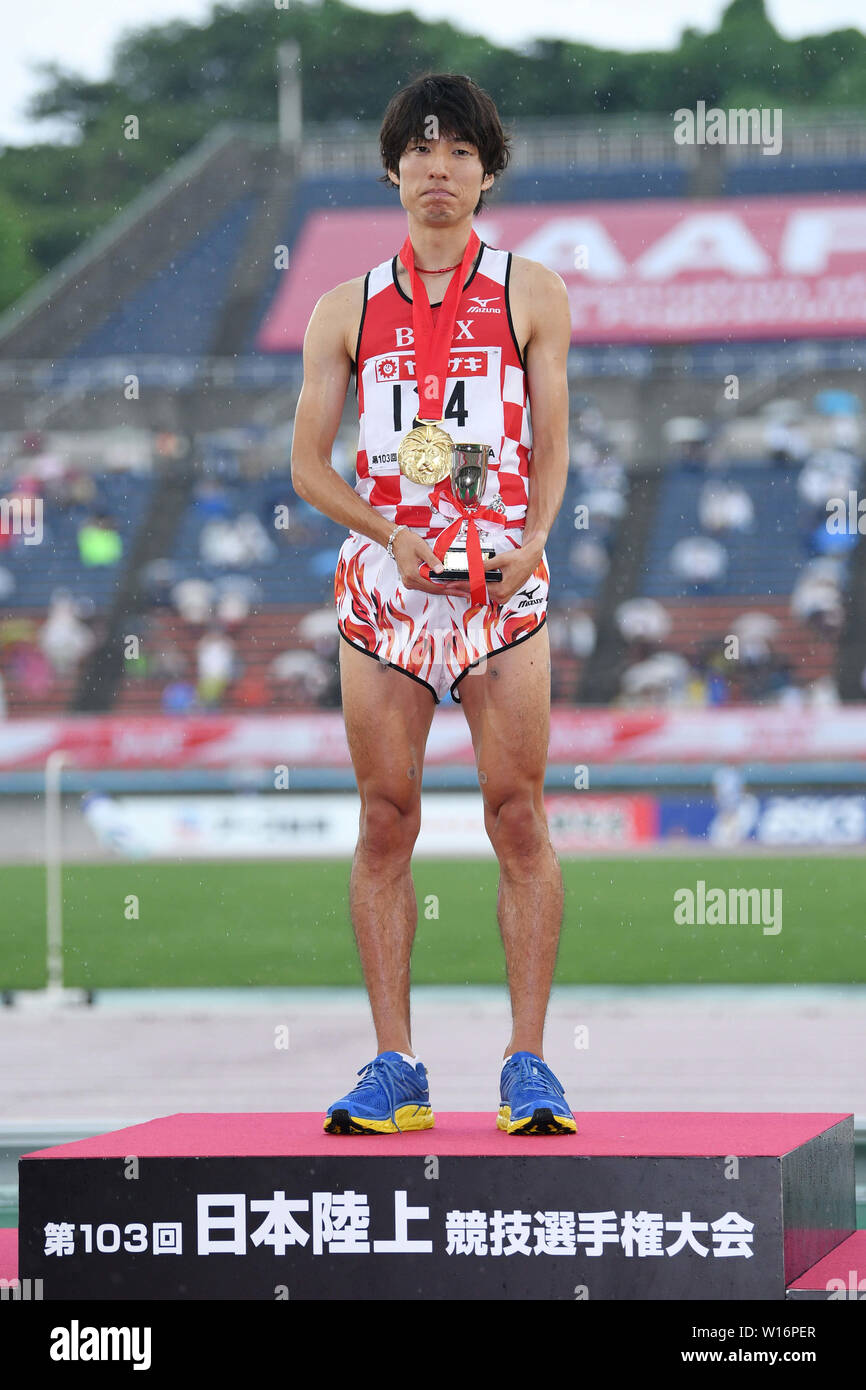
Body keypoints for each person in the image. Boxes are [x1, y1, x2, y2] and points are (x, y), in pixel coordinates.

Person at [291, 73, 573, 1136]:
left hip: (502, 586)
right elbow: (307, 466)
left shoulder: (529, 291)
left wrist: (535, 539)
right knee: (384, 819)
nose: (437, 169)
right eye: (419, 152)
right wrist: (384, 532)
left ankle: (529, 1062)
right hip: (389, 590)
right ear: (392, 171)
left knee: (516, 814)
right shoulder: (345, 306)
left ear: (487, 172)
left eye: (459, 152)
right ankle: (394, 1064)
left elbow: (552, 441)